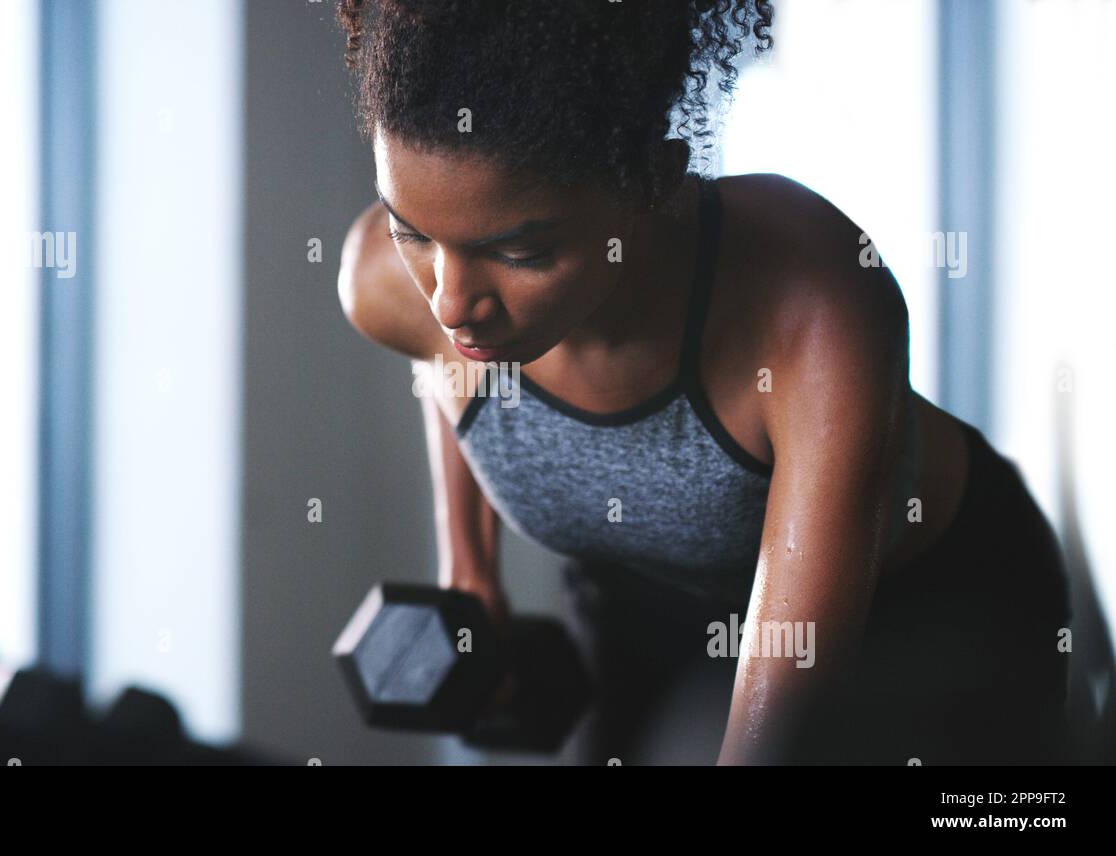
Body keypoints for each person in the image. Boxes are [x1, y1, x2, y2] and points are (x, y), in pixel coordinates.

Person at [334, 0, 1073, 764]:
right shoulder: (387, 286)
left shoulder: (813, 301)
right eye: (413, 232)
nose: (450, 304)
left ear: (651, 183)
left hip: (925, 611)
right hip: (652, 607)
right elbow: (441, 359)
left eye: (519, 252)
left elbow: (776, 727)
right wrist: (469, 565)